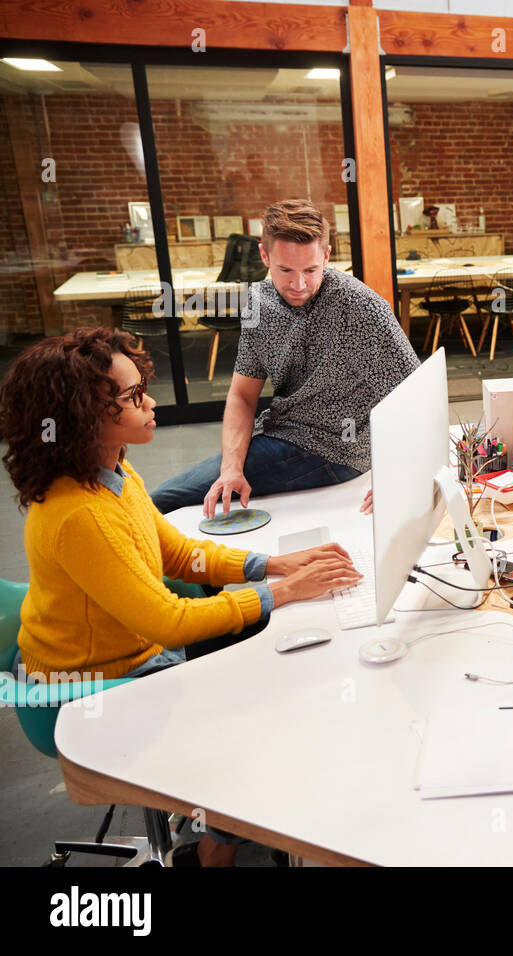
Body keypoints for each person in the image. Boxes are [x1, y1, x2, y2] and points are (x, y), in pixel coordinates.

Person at [0, 328, 361, 866]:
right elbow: (169, 621)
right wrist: (280, 593)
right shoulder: (79, 513)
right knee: (264, 711)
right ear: (81, 417)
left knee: (272, 666)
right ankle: (213, 851)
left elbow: (176, 554)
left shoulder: (112, 472)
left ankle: (228, 817)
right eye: (131, 397)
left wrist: (272, 565)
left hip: (134, 651)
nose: (150, 403)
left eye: (140, 386)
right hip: (91, 685)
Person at [150, 199, 421, 517]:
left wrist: (404, 474)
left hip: (333, 448)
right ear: (264, 255)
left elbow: (417, 395)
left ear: (327, 255)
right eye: (285, 270)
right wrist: (231, 467)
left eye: (311, 269)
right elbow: (242, 394)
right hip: (279, 430)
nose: (299, 284)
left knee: (162, 501)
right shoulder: (258, 304)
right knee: (184, 496)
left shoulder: (360, 307)